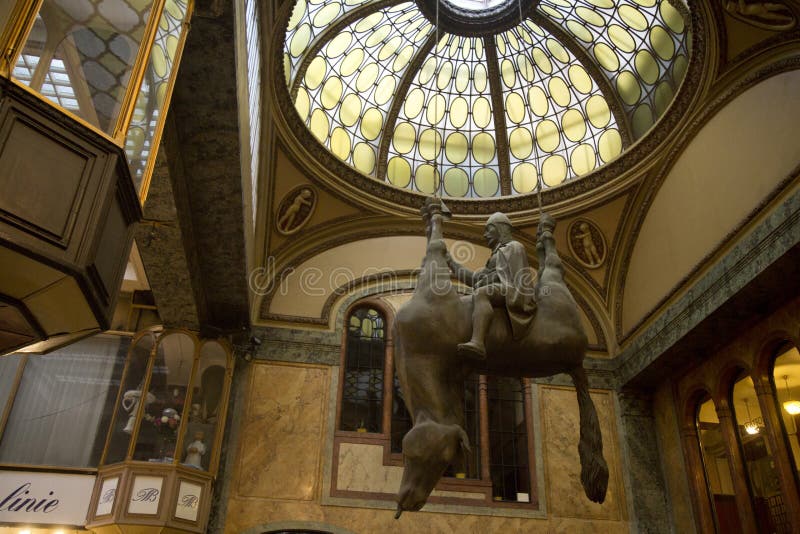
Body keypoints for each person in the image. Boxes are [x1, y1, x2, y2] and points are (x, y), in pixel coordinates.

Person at [446, 212, 536, 360]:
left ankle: (478, 342)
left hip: (514, 291)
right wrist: (451, 263)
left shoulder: (514, 247)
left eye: (489, 229)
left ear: (500, 229)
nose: (485, 234)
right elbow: (475, 279)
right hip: (501, 289)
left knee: (482, 293)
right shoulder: (495, 256)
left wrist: (485, 280)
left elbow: (510, 278)